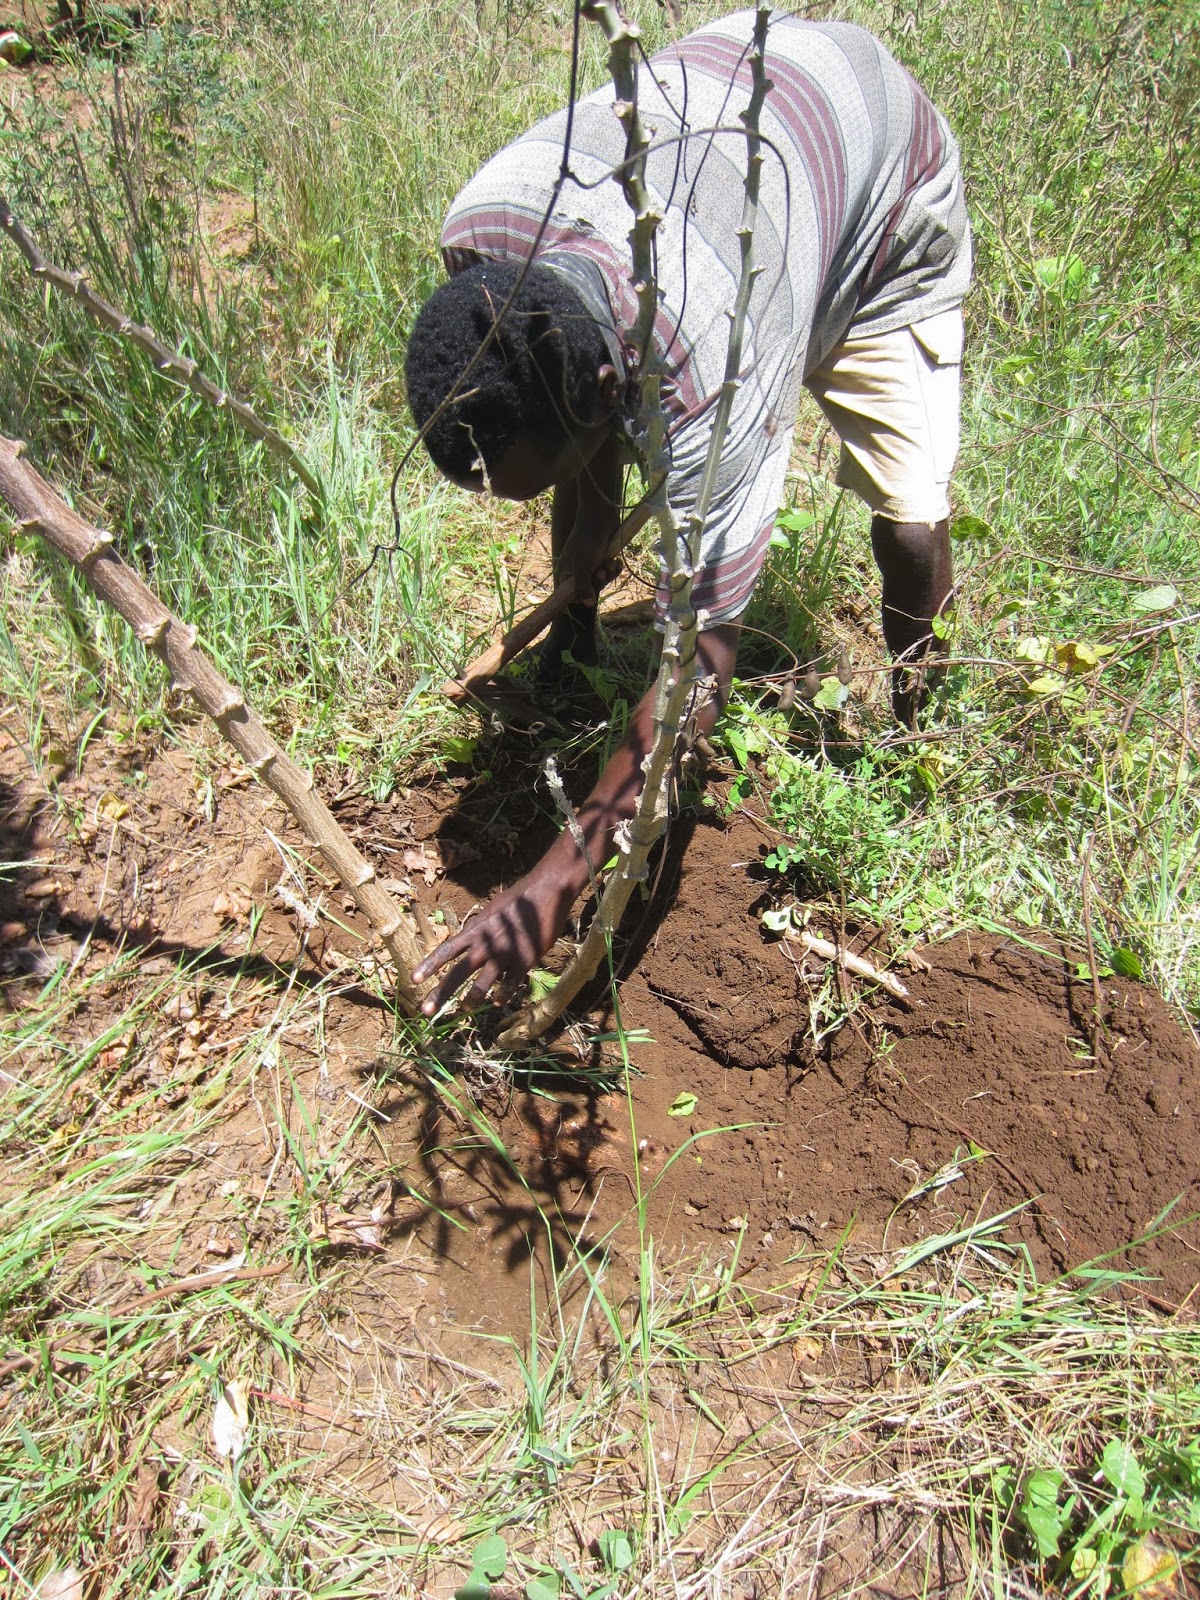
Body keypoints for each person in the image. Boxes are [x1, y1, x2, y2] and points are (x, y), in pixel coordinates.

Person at [406, 9, 971, 1016]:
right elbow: (584, 422)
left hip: (878, 182)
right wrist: (575, 596)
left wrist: (553, 883)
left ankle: (917, 730)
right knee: (590, 453)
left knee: (911, 510)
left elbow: (697, 672)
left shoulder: (717, 370)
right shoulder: (479, 233)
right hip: (744, 127)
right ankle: (573, 637)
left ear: (611, 390)